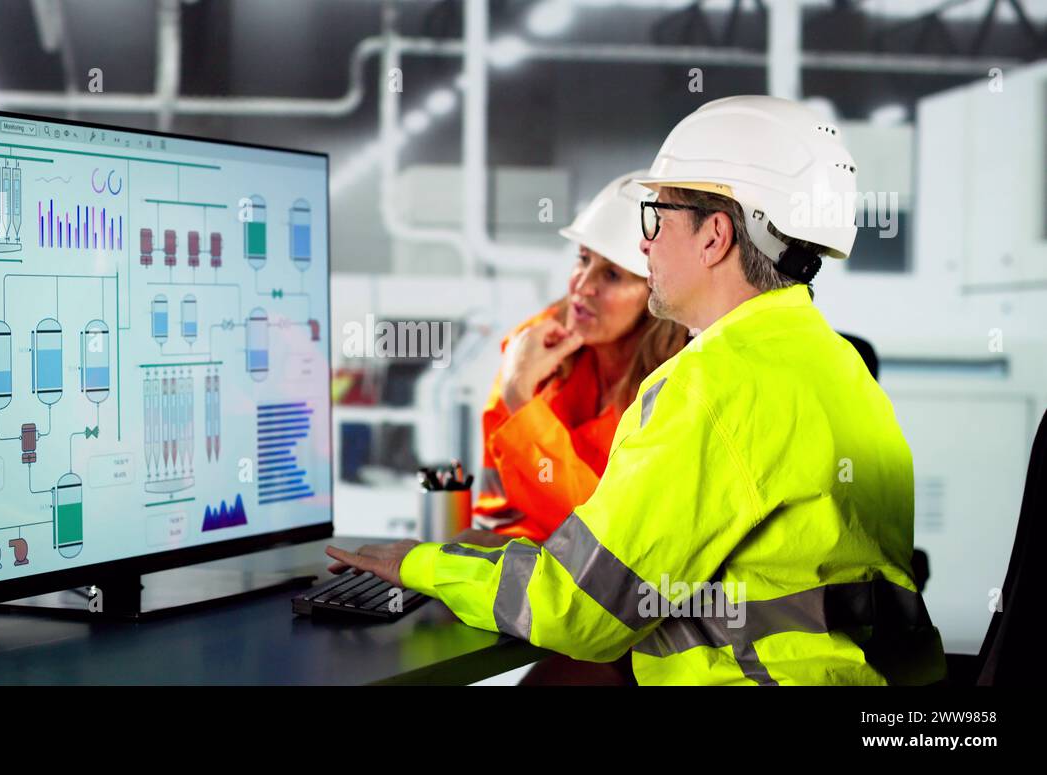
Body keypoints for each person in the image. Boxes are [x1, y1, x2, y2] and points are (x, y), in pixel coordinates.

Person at [327, 95, 947, 685]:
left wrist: (419, 564)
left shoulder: (711, 384)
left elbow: (578, 610)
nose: (645, 239)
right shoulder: (836, 363)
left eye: (656, 215)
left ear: (715, 236)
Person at [471, 171, 688, 543]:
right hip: (516, 560)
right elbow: (499, 512)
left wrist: (521, 400)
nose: (582, 285)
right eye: (582, 259)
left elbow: (604, 533)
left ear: (655, 297)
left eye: (612, 275)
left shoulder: (678, 389)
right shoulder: (533, 349)